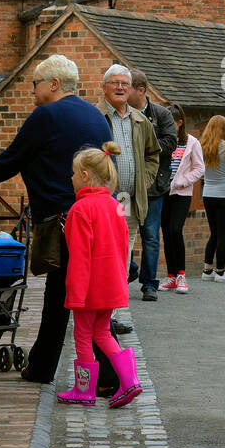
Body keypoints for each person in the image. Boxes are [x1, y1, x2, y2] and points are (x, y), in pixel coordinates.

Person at [0, 54, 116, 386]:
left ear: (53, 84)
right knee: (81, 296)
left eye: (36, 84)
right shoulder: (96, 116)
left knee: (62, 295)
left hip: (63, 221)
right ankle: (74, 370)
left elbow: (12, 158)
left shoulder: (46, 116)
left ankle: (74, 372)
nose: (33, 91)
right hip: (97, 216)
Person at [57, 142, 143, 408]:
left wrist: (76, 293)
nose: (70, 178)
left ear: (84, 175)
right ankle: (130, 381)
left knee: (83, 335)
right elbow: (122, 248)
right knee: (103, 332)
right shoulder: (116, 206)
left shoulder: (80, 210)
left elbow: (80, 257)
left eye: (73, 173)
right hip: (111, 284)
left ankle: (84, 390)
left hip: (89, 286)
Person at [95, 65, 161, 301]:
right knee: (103, 254)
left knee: (123, 254)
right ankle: (102, 310)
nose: (120, 87)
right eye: (115, 82)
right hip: (103, 199)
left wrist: (143, 181)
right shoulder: (95, 117)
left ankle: (116, 311)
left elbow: (153, 154)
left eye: (125, 83)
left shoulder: (140, 119)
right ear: (104, 87)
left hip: (129, 198)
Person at [127, 69, 177, 295]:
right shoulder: (122, 114)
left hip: (154, 186)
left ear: (140, 90)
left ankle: (149, 284)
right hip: (125, 187)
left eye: (127, 88)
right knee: (119, 233)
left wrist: (144, 142)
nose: (122, 92)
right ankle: (130, 270)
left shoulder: (162, 114)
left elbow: (171, 143)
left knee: (150, 235)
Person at [160, 105, 204, 293]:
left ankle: (181, 275)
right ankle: (170, 276)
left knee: (176, 230)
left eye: (171, 123)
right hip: (162, 193)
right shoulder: (163, 140)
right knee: (167, 233)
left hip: (181, 194)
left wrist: (182, 181)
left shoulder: (192, 142)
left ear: (180, 123)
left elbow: (199, 168)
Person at [199, 115, 225, 282]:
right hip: (223, 194)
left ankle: (207, 270)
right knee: (223, 234)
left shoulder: (202, 146)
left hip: (207, 193)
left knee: (213, 232)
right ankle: (220, 272)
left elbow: (199, 171)